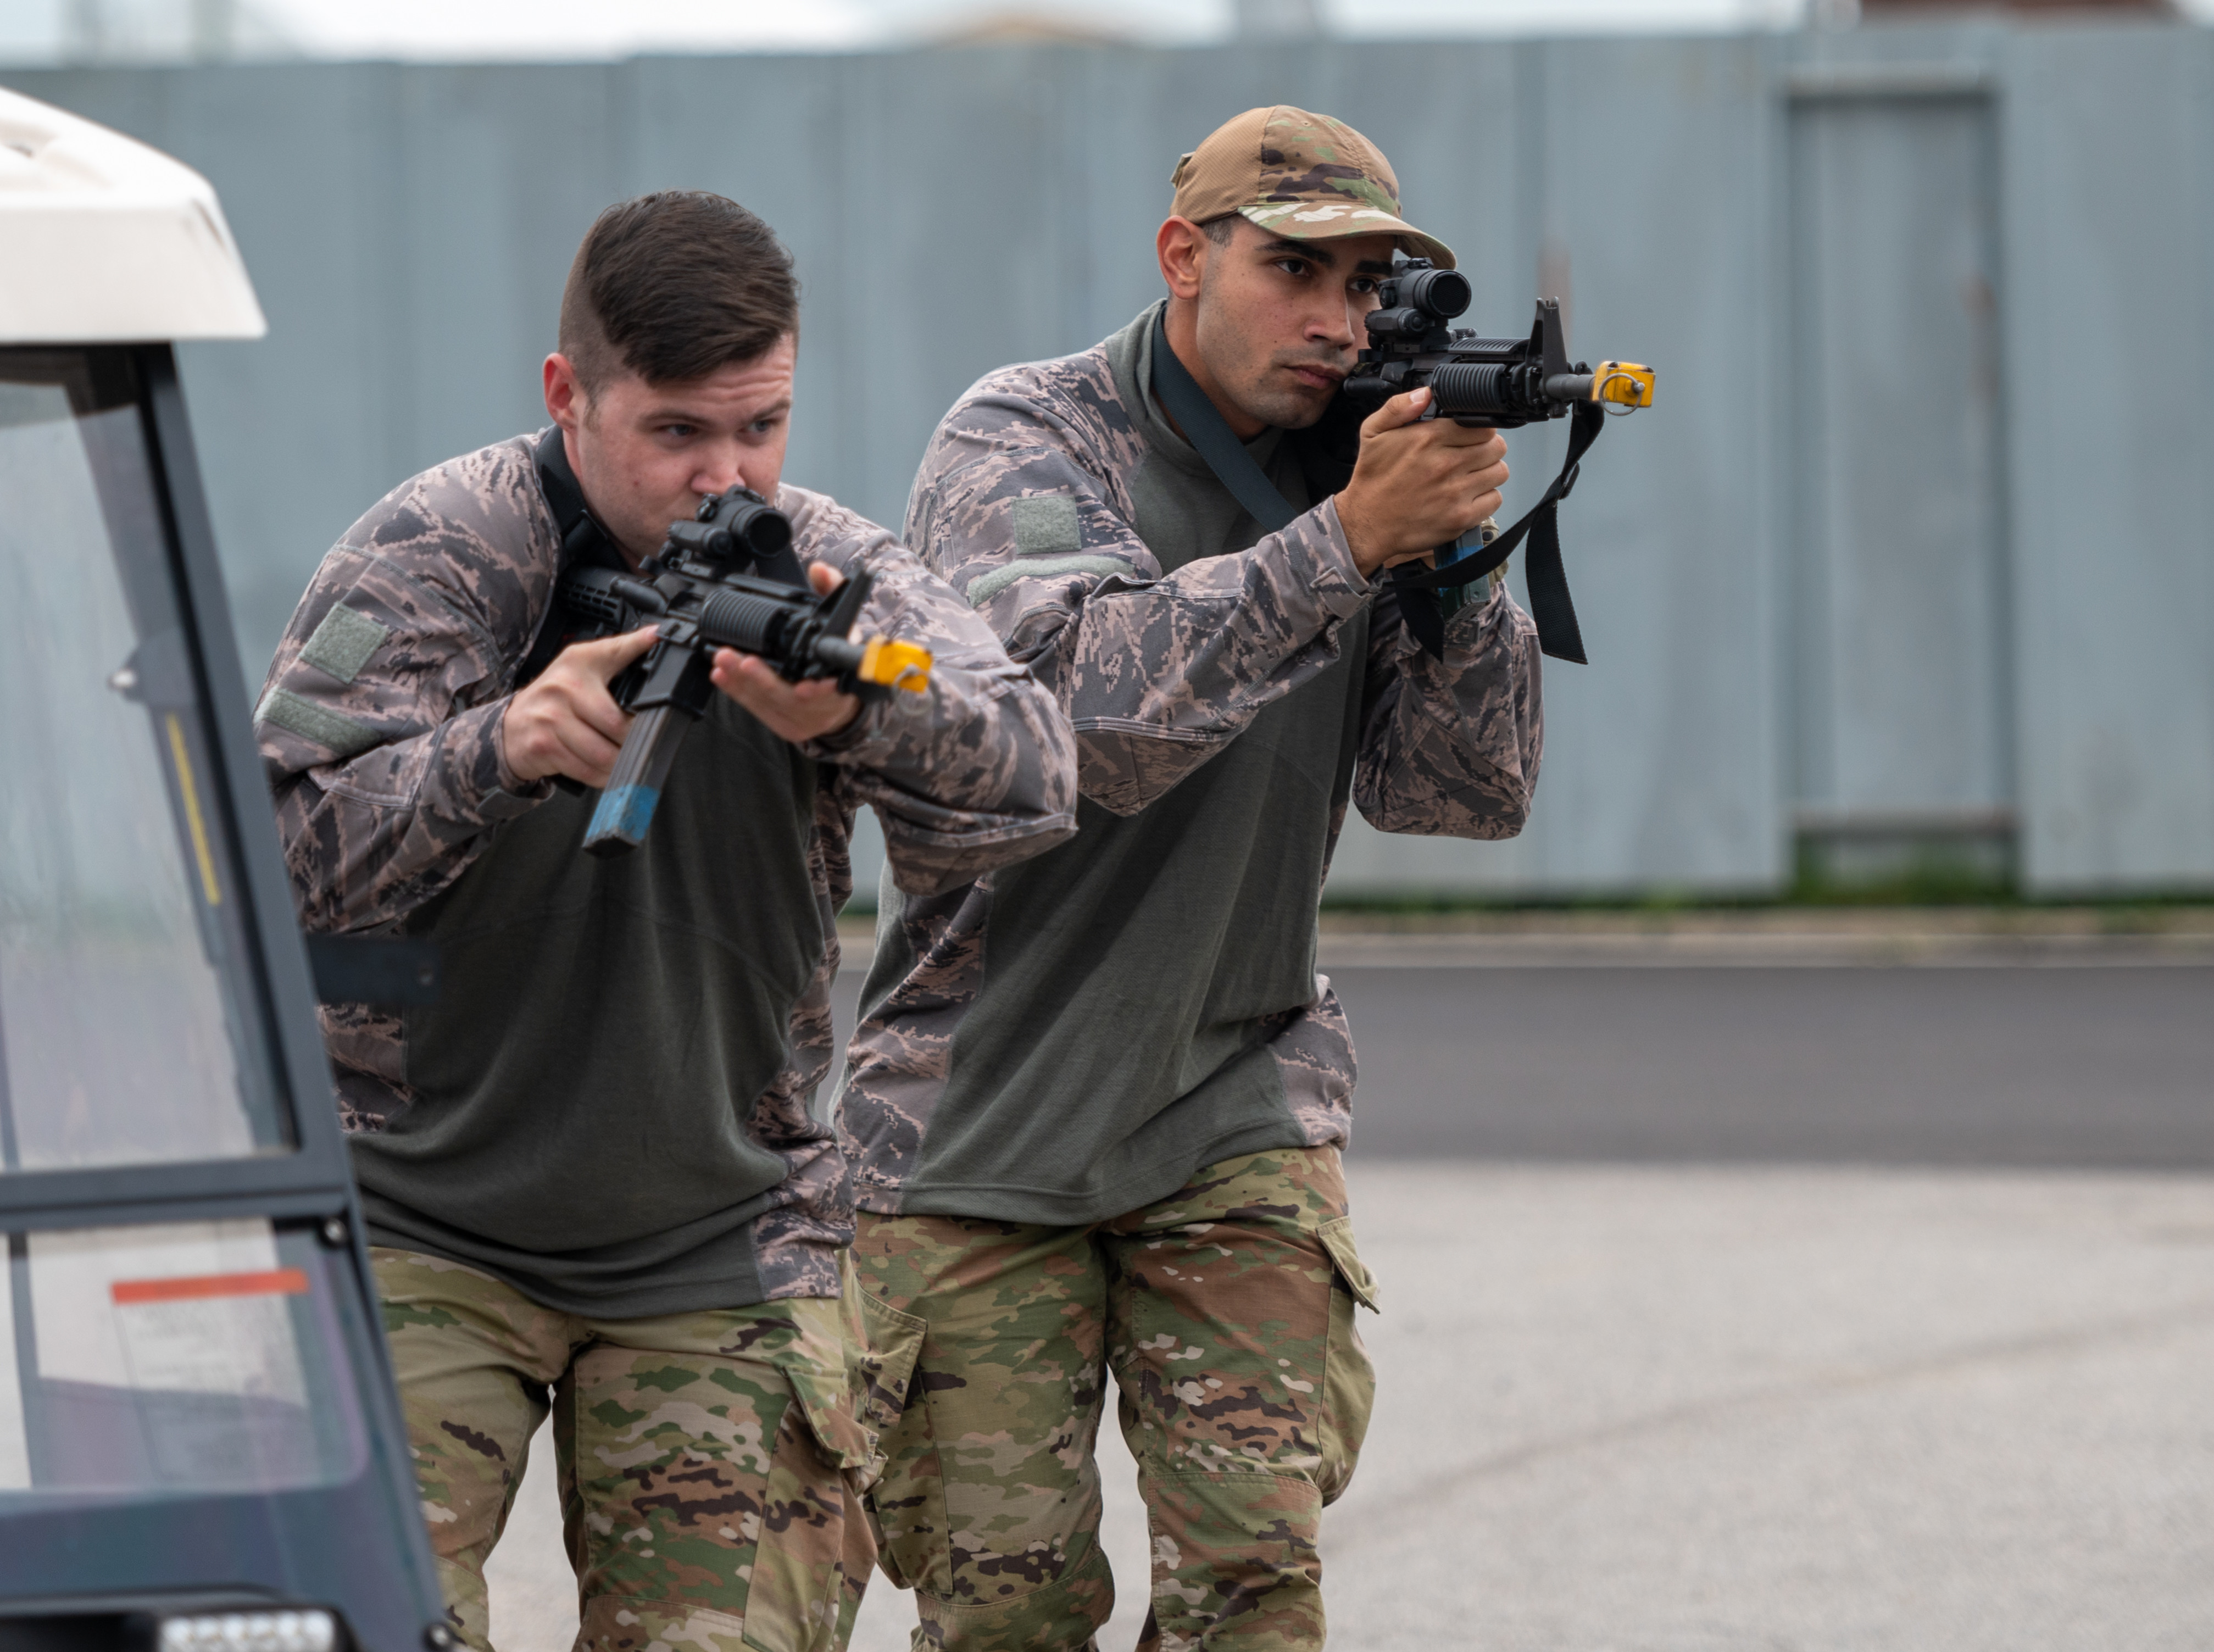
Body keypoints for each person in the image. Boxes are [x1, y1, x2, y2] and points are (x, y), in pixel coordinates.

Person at [254, 191, 1076, 1652]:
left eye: (761, 426)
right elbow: (263, 867)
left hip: (724, 1239)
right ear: (569, 396)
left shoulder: (826, 568)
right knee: (356, 1626)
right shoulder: (439, 556)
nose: (729, 475)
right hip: (418, 1224)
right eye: (681, 432)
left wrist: (864, 716)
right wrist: (487, 753)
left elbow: (1035, 776)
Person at [838, 107, 1545, 1649]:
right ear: (1185, 257)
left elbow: (1462, 791)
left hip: (1234, 1095)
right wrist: (1350, 541)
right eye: (1295, 268)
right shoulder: (1025, 436)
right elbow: (1075, 728)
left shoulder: (1351, 465)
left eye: (1364, 285)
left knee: (1253, 1588)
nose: (1335, 319)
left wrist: (1453, 569)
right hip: (980, 1122)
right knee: (1003, 1615)